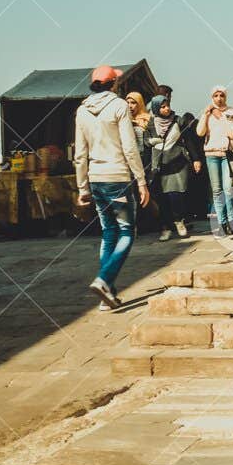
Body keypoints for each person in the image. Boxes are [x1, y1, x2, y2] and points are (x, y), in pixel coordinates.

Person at [74, 65, 151, 310]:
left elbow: (80, 153)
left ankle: (108, 296)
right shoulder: (118, 106)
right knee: (127, 232)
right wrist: (141, 180)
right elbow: (129, 147)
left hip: (96, 180)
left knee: (108, 233)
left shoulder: (82, 110)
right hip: (117, 177)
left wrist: (82, 187)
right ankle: (104, 279)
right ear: (114, 84)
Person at [145, 94, 200, 240]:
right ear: (156, 108)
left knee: (177, 194)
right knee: (163, 197)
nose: (166, 108)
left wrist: (196, 159)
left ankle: (179, 221)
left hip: (178, 162)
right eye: (162, 106)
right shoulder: (151, 124)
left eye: (167, 105)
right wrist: (151, 141)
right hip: (160, 164)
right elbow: (145, 142)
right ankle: (165, 227)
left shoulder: (178, 121)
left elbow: (188, 140)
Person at [195, 85, 233, 237]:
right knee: (217, 190)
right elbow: (200, 132)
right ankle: (222, 223)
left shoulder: (232, 112)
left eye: (221, 95)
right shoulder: (207, 112)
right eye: (215, 95)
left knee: (228, 189)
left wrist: (220, 116)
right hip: (211, 154)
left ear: (225, 97)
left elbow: (232, 134)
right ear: (212, 97)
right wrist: (205, 115)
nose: (219, 98)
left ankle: (231, 221)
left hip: (227, 154)